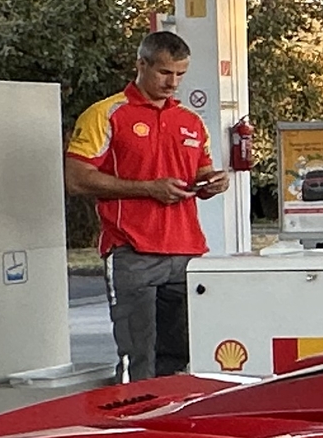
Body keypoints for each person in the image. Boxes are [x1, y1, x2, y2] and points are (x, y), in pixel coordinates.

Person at [65, 31, 229, 379]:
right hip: (132, 251)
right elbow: (76, 179)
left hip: (186, 251)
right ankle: (128, 427)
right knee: (137, 359)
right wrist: (148, 189)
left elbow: (200, 172)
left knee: (181, 356)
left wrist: (214, 182)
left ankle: (168, 425)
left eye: (180, 74)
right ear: (141, 64)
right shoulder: (106, 114)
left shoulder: (191, 121)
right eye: (165, 73)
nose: (173, 83)